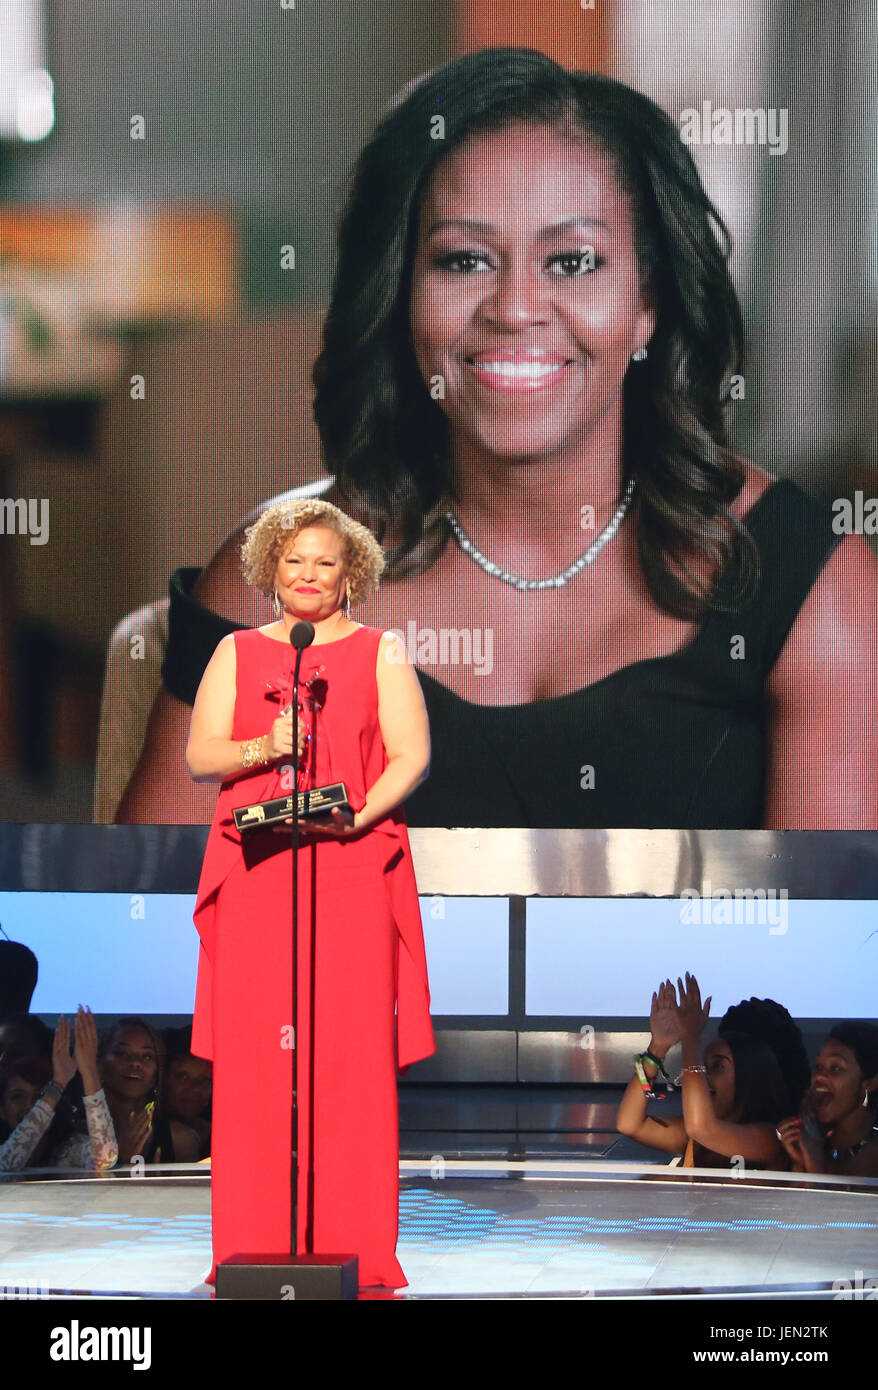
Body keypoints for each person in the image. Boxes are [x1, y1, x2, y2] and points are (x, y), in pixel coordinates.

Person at [112, 47, 876, 831]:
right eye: (464, 259)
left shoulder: (815, 592)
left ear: (647, 301)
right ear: (403, 292)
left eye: (572, 261)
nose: (515, 308)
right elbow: (144, 926)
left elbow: (825, 948)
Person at [188, 496, 434, 1290]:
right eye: (295, 560)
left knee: (349, 1061)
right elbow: (201, 757)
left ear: (350, 571)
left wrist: (359, 815)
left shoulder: (380, 651)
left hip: (352, 867)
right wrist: (267, 747)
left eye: (326, 562)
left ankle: (358, 1252)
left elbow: (411, 756)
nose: (309, 575)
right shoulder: (237, 651)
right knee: (260, 1062)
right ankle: (250, 1247)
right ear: (270, 566)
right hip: (261, 871)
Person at [616, 974, 791, 1169]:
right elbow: (629, 1124)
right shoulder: (693, 1133)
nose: (703, 1077)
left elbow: (701, 1128)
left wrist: (690, 1038)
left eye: (718, 1067)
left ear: (749, 1077)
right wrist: (657, 1049)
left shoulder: (768, 1138)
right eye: (703, 1067)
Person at [0, 1007, 117, 1172]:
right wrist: (58, 1083)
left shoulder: (66, 1149)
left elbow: (105, 1158)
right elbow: (6, 1164)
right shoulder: (4, 1149)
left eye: (40, 1095)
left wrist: (89, 1071)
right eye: (17, 1097)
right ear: (2, 1109)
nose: (29, 1106)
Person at [777, 1023, 878, 1178]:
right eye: (818, 1066)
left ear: (870, 1082)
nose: (818, 1076)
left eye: (835, 1068)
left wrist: (814, 1164)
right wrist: (801, 1161)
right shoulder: (813, 1142)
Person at [99, 1017, 200, 1166]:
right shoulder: (82, 1133)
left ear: (158, 1071)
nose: (135, 1063)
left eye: (147, 1056)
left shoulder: (179, 1139)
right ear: (99, 1064)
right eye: (122, 1053)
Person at [163, 1026, 212, 1159]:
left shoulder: (220, 1138)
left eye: (205, 1080)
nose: (195, 1088)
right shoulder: (148, 1138)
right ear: (163, 1078)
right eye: (183, 1077)